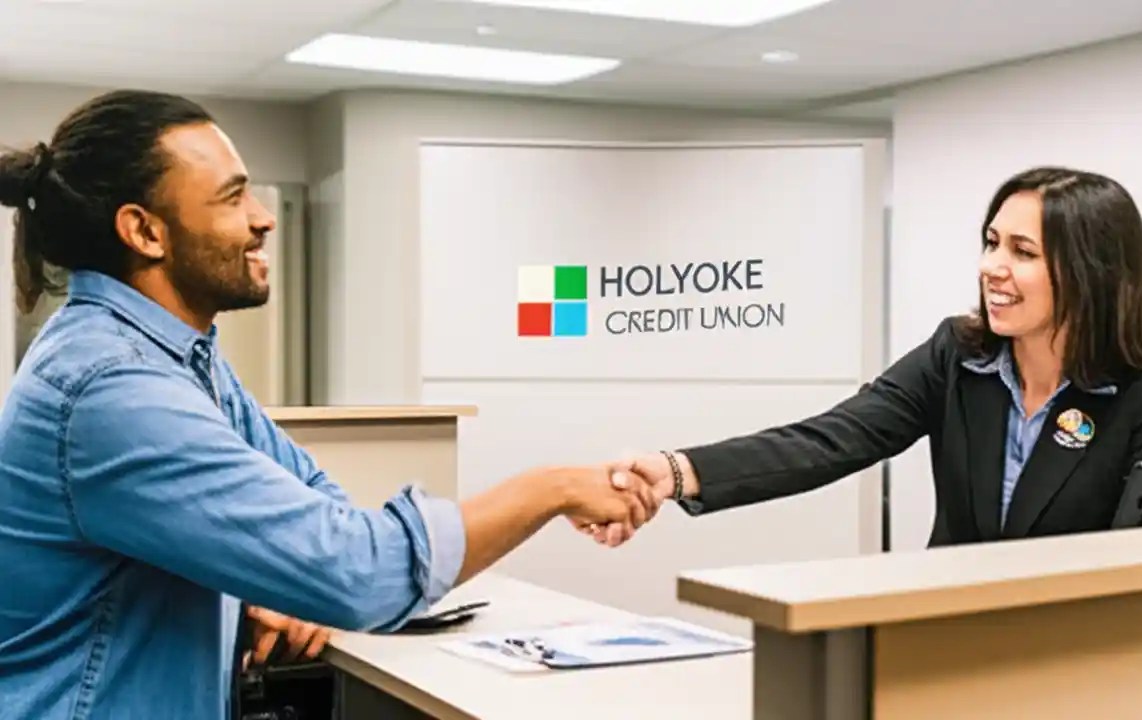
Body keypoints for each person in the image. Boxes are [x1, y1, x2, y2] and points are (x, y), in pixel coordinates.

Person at [0, 89, 658, 720]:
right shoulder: (114, 391)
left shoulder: (176, 360)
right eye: (232, 198)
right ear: (145, 231)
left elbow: (318, 506)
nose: (262, 217)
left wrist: (283, 578)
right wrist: (551, 489)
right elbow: (357, 571)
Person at [589, 166, 1142, 548]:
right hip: (945, 637)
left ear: (1091, 273)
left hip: (1079, 661)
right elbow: (831, 439)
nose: (992, 267)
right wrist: (674, 471)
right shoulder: (957, 356)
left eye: (1023, 251)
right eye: (990, 243)